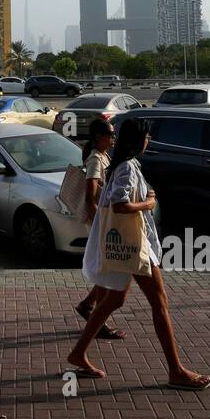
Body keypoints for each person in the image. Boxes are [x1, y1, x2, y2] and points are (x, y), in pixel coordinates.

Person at [66, 117, 210, 389]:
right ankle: (176, 370)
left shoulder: (122, 164)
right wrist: (148, 202)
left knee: (113, 301)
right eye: (147, 136)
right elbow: (120, 205)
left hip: (126, 243)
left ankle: (78, 353)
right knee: (159, 303)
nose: (149, 140)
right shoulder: (126, 168)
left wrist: (144, 198)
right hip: (134, 244)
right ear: (138, 140)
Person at [74, 118, 126, 340]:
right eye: (110, 134)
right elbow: (90, 194)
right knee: (106, 272)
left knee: (106, 270)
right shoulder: (96, 159)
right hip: (101, 223)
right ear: (98, 136)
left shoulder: (103, 156)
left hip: (104, 221)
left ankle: (88, 305)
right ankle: (96, 319)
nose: (113, 138)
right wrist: (99, 225)